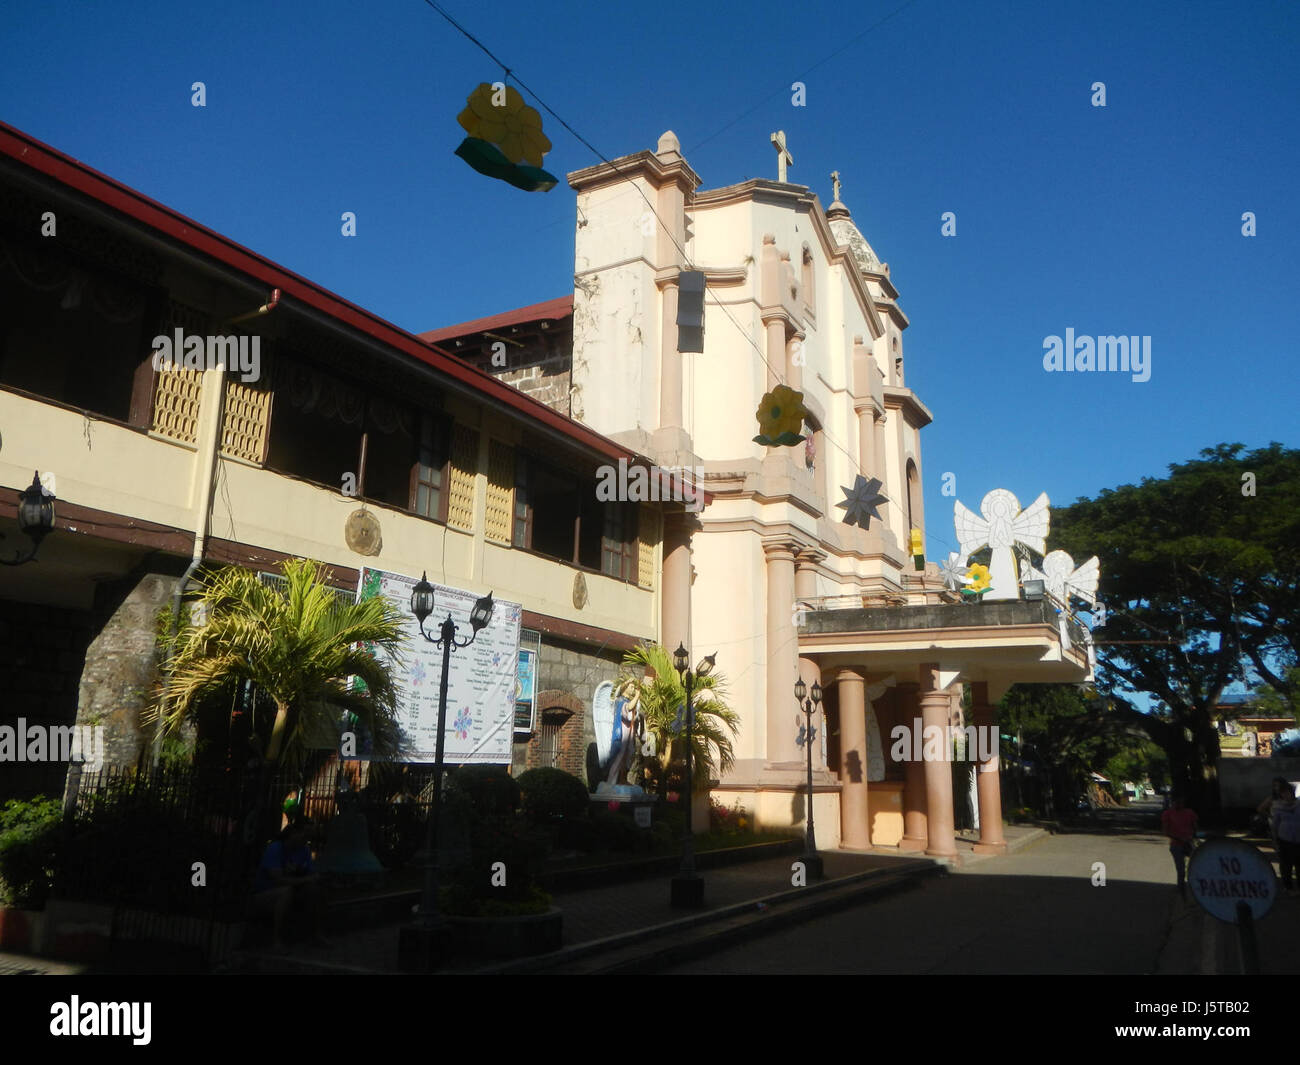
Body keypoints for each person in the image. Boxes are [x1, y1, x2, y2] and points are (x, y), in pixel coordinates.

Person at [251, 821, 327, 950]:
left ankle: (315, 935)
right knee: (285, 892)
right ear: (293, 834)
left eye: (309, 835)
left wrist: (310, 879)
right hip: (266, 892)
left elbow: (310, 874)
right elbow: (278, 880)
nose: (307, 838)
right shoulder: (275, 848)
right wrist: (307, 879)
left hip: (293, 889)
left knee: (314, 890)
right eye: (305, 834)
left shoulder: (304, 850)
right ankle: (277, 940)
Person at [1160, 794, 1198, 901]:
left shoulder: (1189, 813)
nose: (1178, 804)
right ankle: (1181, 891)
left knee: (1197, 863)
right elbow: (1166, 831)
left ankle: (1195, 887)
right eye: (1176, 802)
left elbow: (1195, 826)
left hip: (1189, 843)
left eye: (1180, 802)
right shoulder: (1168, 814)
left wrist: (1191, 836)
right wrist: (1179, 838)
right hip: (1176, 845)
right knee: (1181, 869)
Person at [1271, 781, 1300, 896]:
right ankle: (1288, 888)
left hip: (1298, 839)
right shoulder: (1278, 807)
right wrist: (1275, 840)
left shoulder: (1299, 805)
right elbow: (1275, 825)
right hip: (1284, 839)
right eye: (1283, 793)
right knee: (1286, 865)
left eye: (1288, 792)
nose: (1286, 795)